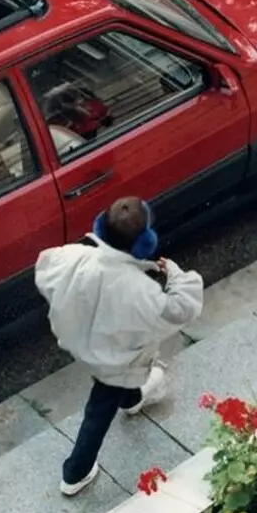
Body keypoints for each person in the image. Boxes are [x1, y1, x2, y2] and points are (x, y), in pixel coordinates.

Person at [34, 197, 204, 497]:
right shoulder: (142, 291)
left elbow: (46, 271)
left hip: (81, 341)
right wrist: (176, 273)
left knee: (118, 388)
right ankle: (76, 472)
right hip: (114, 360)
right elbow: (181, 308)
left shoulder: (72, 256)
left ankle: (132, 399)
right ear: (145, 243)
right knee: (99, 409)